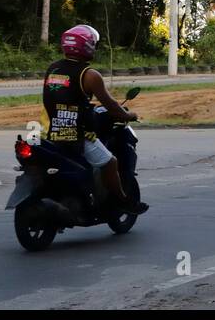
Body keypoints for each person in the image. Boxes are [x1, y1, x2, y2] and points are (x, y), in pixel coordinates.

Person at [42, 25, 147, 215]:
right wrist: (129, 115)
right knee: (111, 162)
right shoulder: (90, 75)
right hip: (78, 135)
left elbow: (56, 98)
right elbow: (111, 105)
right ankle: (122, 201)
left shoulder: (53, 68)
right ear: (88, 47)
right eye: (93, 44)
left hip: (54, 131)